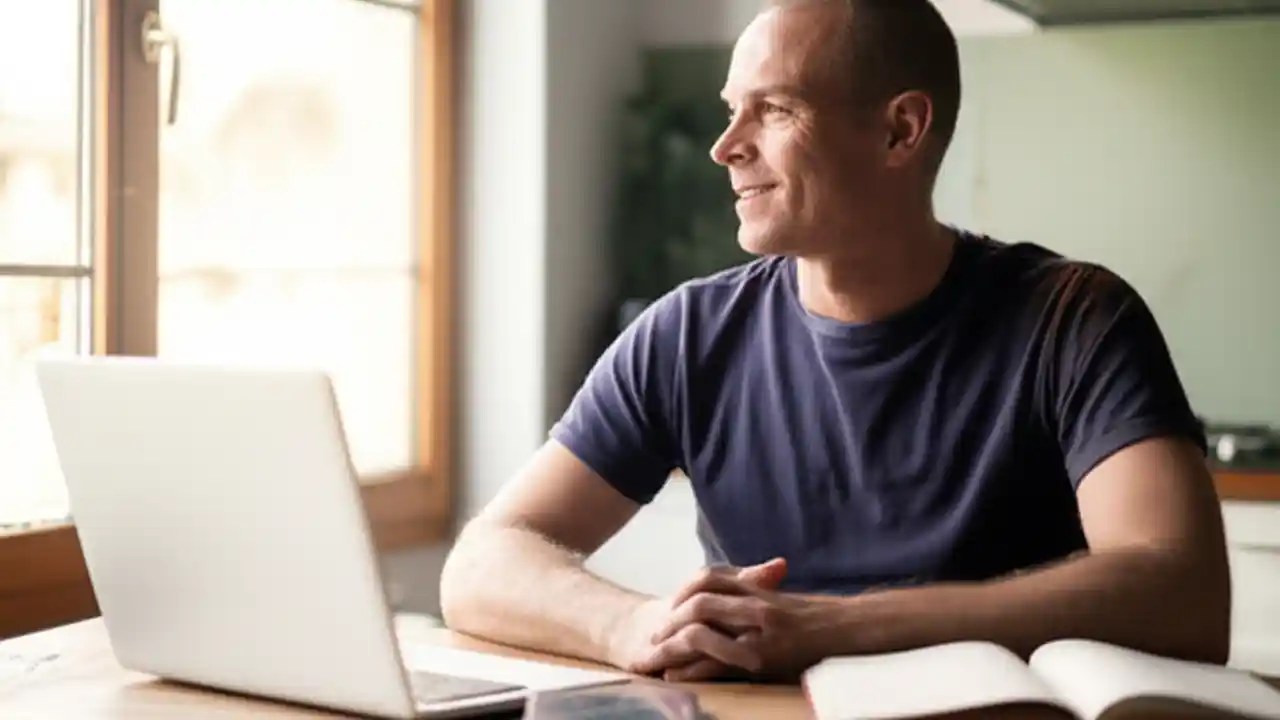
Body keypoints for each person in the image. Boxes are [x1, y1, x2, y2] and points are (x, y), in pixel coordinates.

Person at [439, 0, 1230, 682]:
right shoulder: (686, 336)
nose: (726, 147)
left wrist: (829, 628)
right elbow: (483, 564)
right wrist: (632, 626)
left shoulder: (1076, 319)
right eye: (730, 109)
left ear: (899, 131)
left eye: (774, 110)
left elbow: (1185, 594)